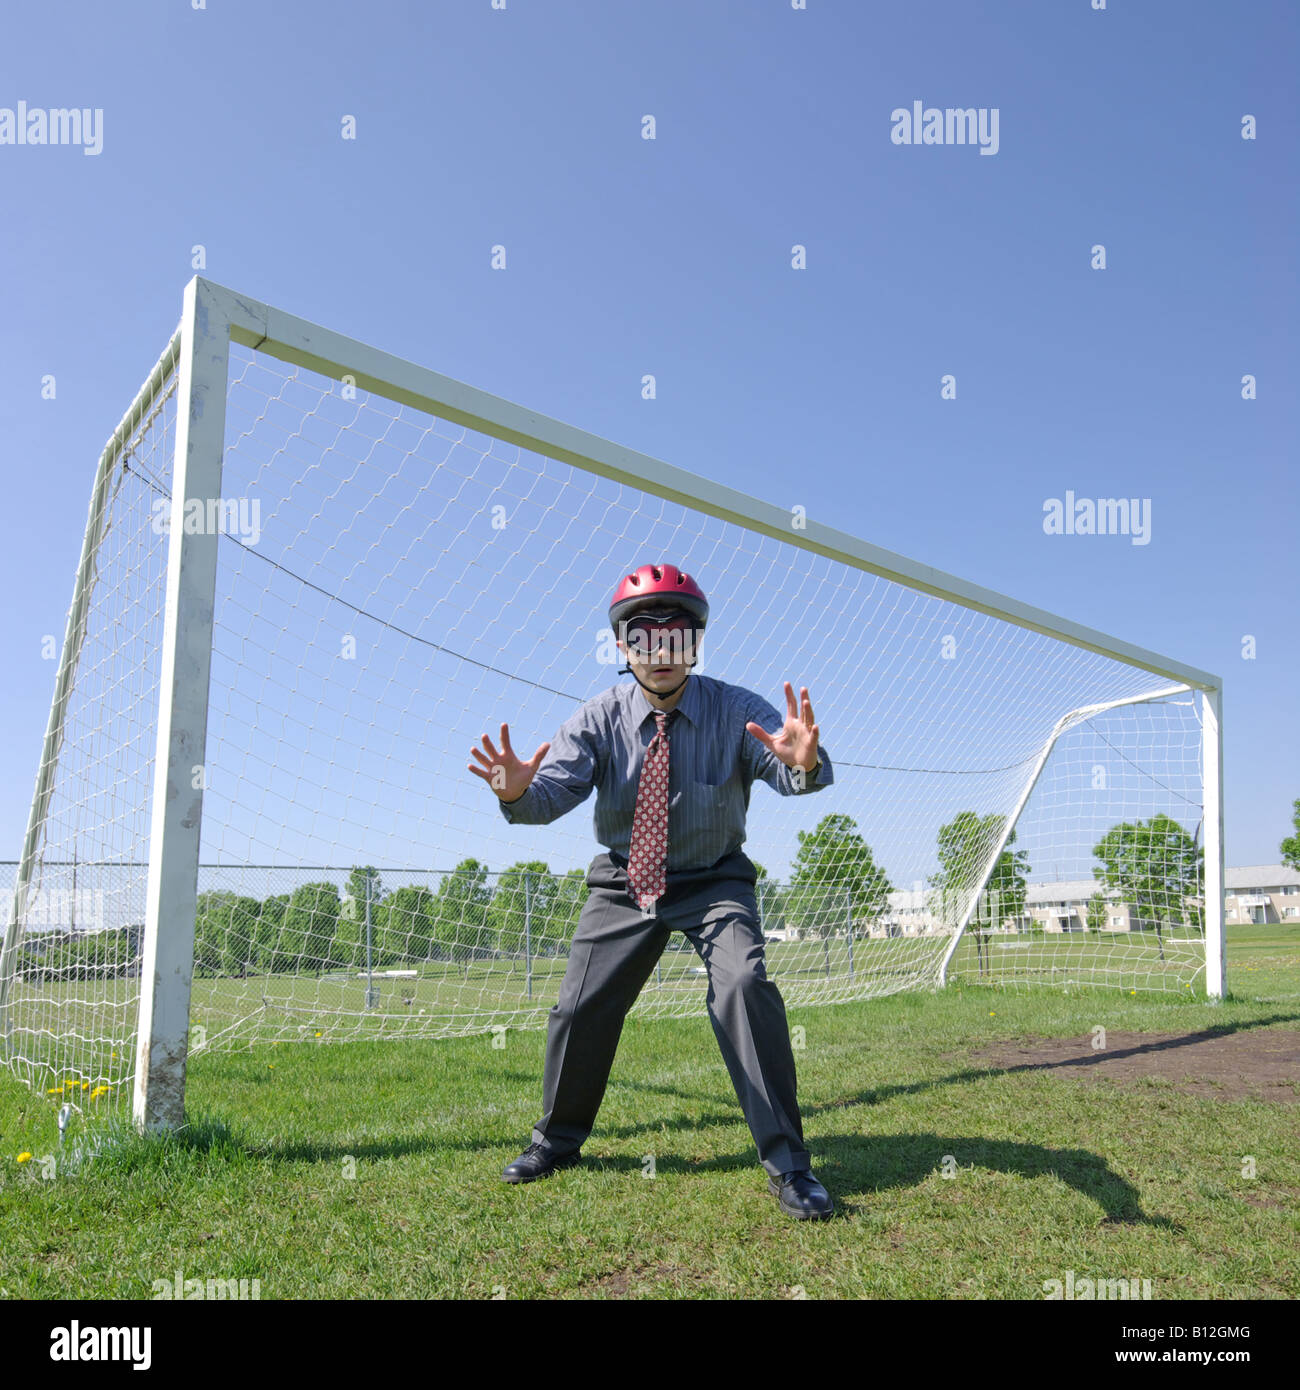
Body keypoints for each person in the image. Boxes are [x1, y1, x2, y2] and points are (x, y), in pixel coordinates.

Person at [467, 563, 835, 1219]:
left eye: (677, 638)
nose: (660, 652)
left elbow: (785, 769)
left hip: (713, 877)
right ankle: (555, 1142)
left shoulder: (737, 710)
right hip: (625, 880)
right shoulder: (599, 718)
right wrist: (518, 792)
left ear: (696, 645)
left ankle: (790, 1167)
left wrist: (802, 764)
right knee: (580, 1009)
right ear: (621, 646)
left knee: (745, 987)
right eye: (643, 637)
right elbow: (552, 794)